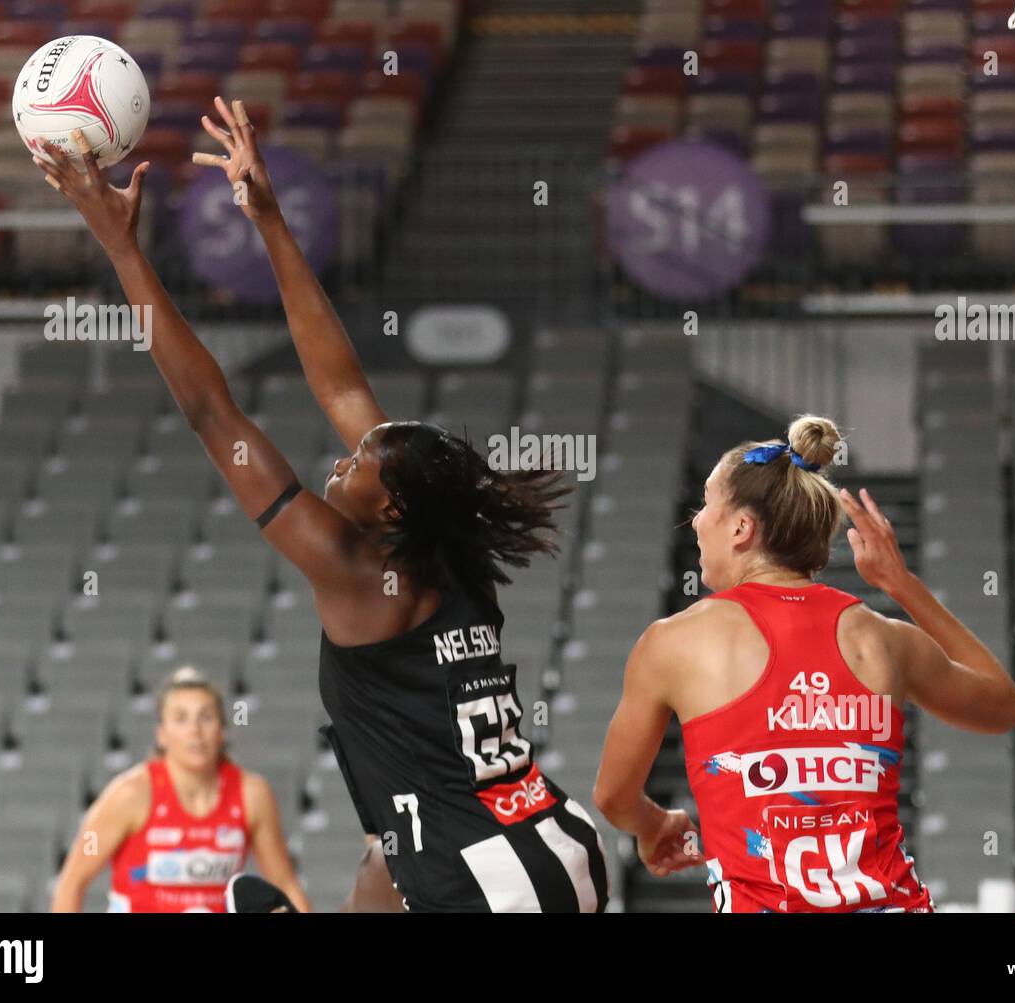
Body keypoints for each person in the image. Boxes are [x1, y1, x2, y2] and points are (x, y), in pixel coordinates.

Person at [32, 104, 607, 913]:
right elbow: (339, 384)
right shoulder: (449, 554)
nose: (345, 454)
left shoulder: (356, 569)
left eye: (362, 460)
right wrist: (268, 217)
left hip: (478, 877)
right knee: (380, 861)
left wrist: (121, 247)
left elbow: (210, 412)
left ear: (393, 506)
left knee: (394, 850)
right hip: (552, 839)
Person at [592, 415, 1015, 913]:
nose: (695, 520)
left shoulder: (674, 642)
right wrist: (902, 585)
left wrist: (653, 825)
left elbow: (613, 796)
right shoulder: (884, 640)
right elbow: (1004, 705)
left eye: (706, 503)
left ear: (741, 528)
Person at [51, 667, 309, 913]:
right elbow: (73, 881)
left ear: (222, 731)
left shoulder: (253, 795)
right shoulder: (128, 795)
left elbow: (284, 883)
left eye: (206, 717)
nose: (195, 730)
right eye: (181, 718)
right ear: (162, 734)